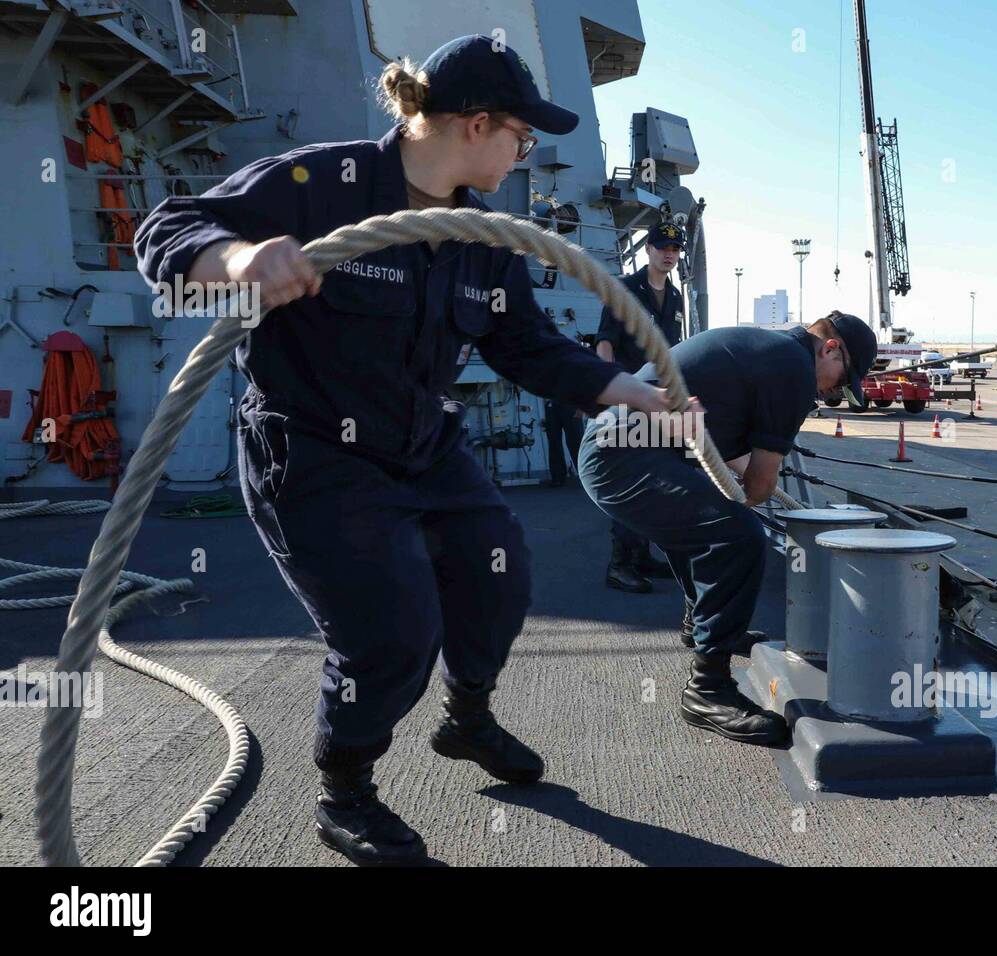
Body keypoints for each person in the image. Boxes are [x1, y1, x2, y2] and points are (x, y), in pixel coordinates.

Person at [134, 35, 673, 866]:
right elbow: (167, 230)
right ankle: (344, 790)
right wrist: (237, 257)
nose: (526, 152)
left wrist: (627, 392)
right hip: (313, 451)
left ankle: (466, 719)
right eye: (521, 137)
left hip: (425, 444)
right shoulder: (320, 185)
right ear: (477, 122)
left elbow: (526, 346)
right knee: (390, 632)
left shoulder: (483, 235)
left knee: (500, 574)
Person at [579, 311, 877, 746]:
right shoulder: (793, 368)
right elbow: (759, 483)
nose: (831, 390)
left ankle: (704, 625)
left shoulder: (766, 350)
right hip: (623, 458)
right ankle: (708, 689)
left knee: (709, 522)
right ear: (830, 348)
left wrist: (747, 487)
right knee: (738, 537)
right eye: (840, 378)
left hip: (617, 448)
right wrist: (755, 497)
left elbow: (734, 458)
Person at [593, 221, 687, 593]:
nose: (669, 253)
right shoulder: (625, 290)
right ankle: (619, 565)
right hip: (629, 398)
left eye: (675, 248)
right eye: (662, 246)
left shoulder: (675, 298)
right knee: (629, 479)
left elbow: (674, 350)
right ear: (647, 249)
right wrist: (610, 390)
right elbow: (604, 342)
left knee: (653, 481)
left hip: (659, 400)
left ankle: (642, 556)